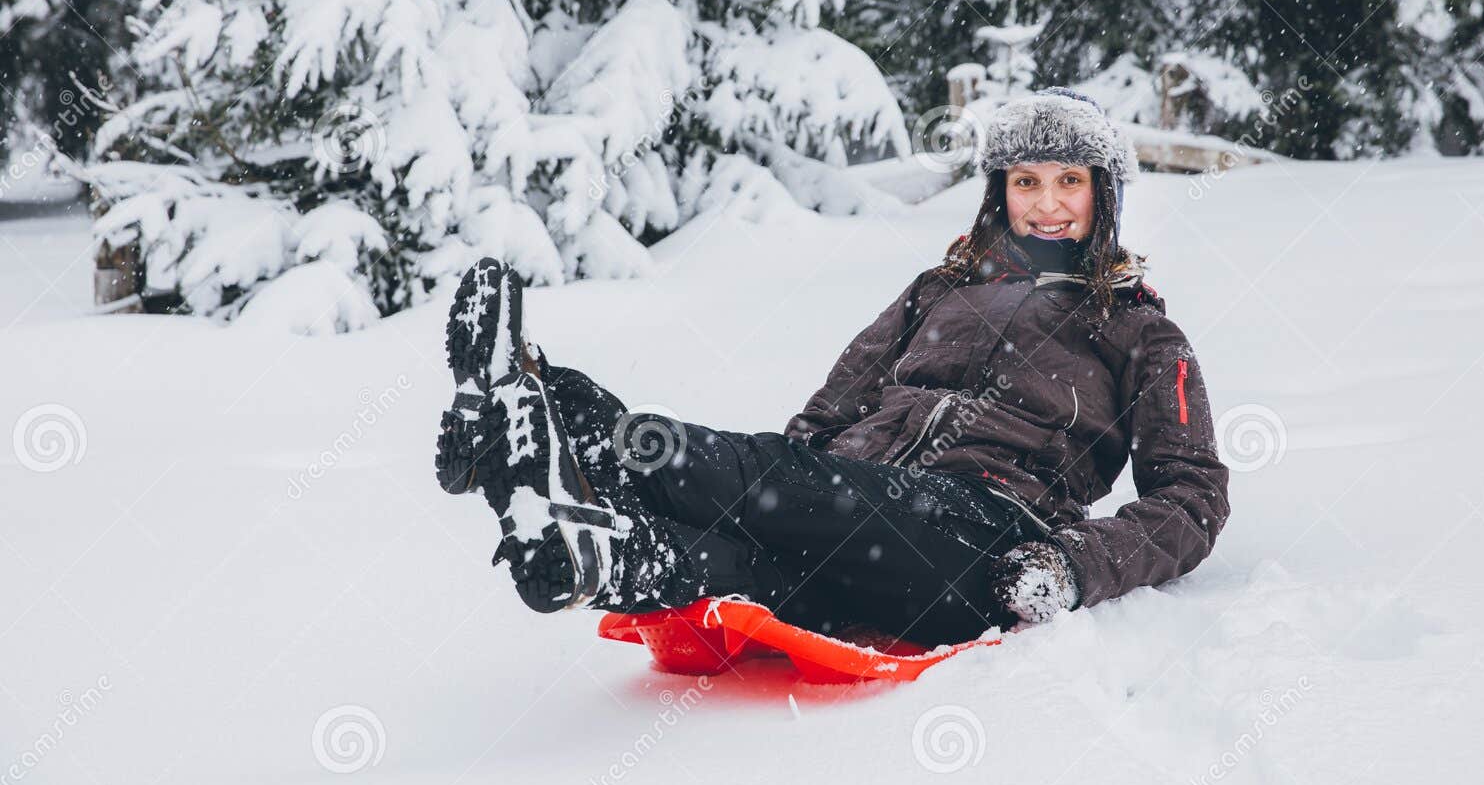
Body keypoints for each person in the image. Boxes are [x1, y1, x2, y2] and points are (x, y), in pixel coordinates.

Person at [433, 89, 1230, 648]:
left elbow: (1192, 499)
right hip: (851, 517)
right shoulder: (938, 292)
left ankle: (557, 420)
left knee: (765, 475)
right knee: (729, 561)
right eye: (1026, 181)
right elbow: (826, 417)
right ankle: (588, 542)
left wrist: (1072, 563)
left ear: (1104, 196)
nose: (1046, 202)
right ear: (998, 193)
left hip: (976, 538)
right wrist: (764, 502)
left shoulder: (1140, 333)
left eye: (1068, 181)